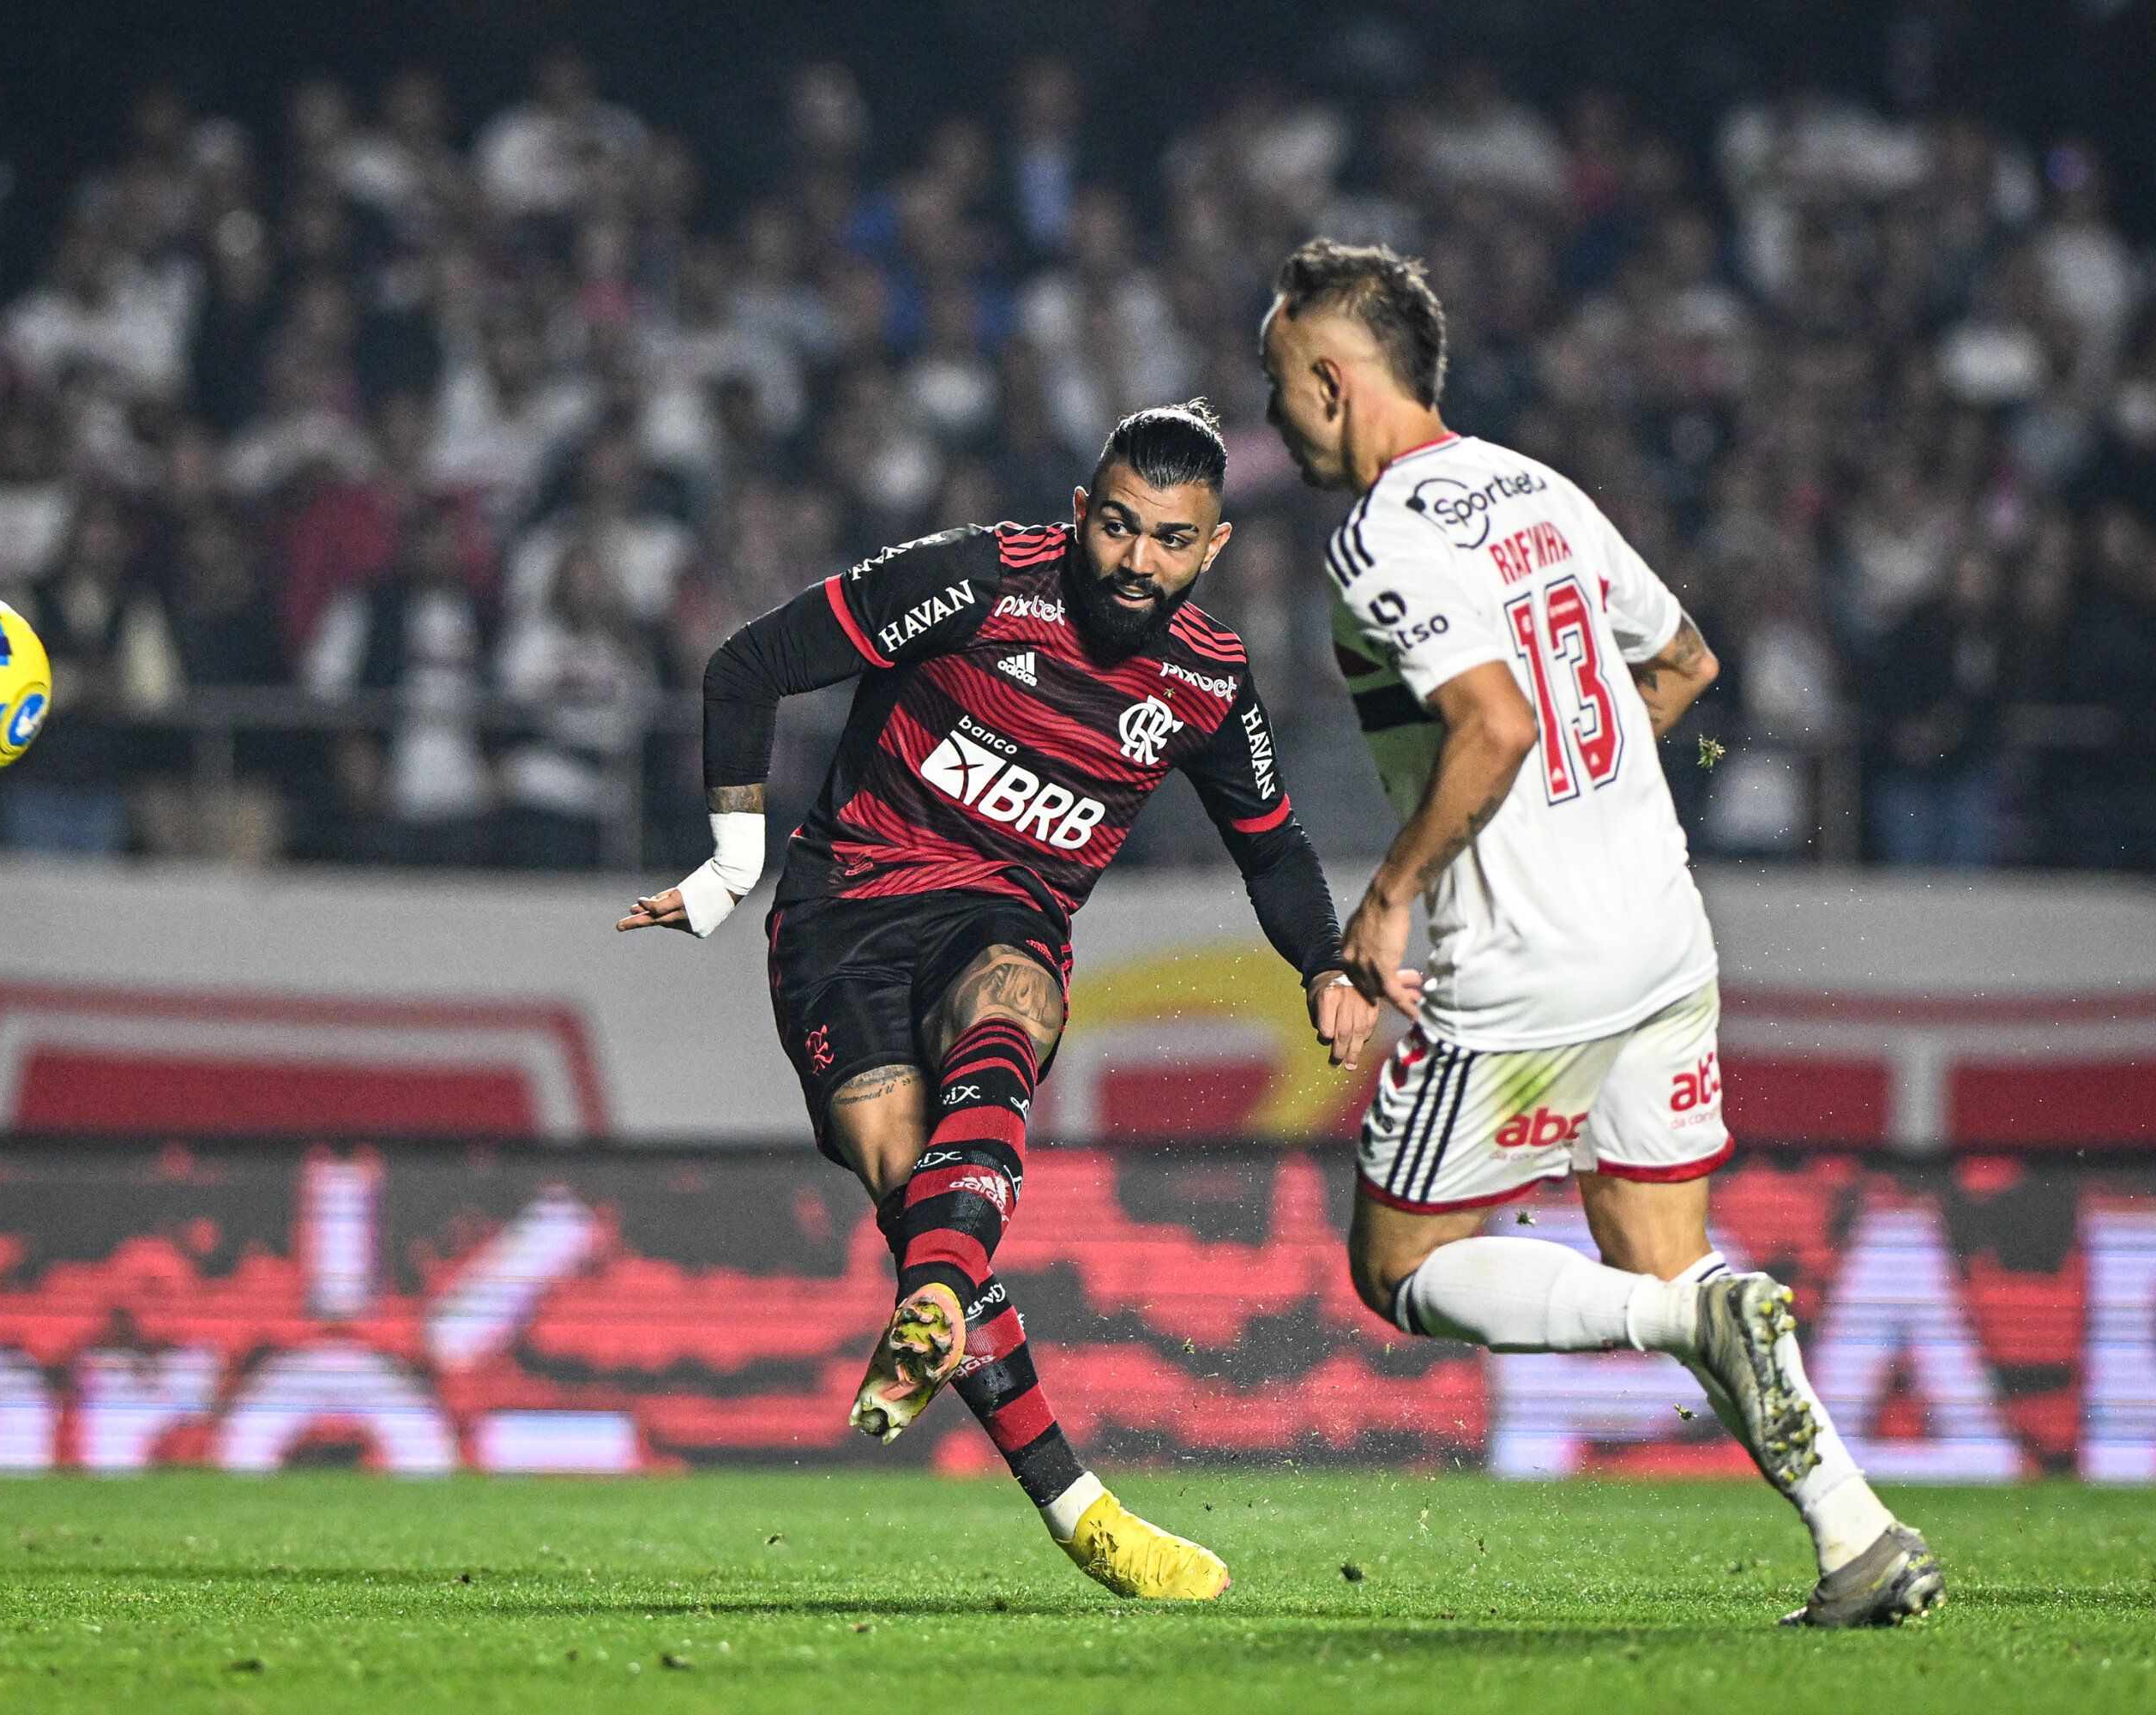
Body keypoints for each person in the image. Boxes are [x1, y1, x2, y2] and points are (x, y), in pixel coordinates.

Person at [1259, 238, 1941, 1627]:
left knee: (1401, 1266)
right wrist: (1588, 808)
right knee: (1662, 1253)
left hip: (1527, 961)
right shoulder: (1540, 490)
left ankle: (1695, 1323)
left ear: (1331, 380)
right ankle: (1859, 1537)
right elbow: (1683, 662)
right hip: (1663, 933)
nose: (1273, 416)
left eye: (1278, 383)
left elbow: (1496, 723)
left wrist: (1389, 898)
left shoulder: (1379, 538)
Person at [617, 402, 1376, 1598]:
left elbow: (1273, 846)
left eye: (1172, 539)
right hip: (844, 917)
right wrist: (728, 866)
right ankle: (1057, 1472)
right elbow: (745, 667)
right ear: (1080, 512)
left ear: (1215, 548)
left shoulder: (1209, 683)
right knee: (906, 1176)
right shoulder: (972, 584)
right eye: (1117, 526)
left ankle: (975, 1360)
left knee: (1010, 1003)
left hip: (1002, 917)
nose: (1137, 560)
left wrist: (1325, 965)